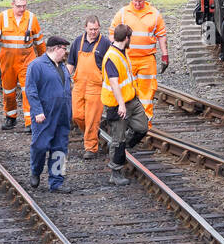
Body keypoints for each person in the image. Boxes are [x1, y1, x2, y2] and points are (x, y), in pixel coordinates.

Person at [109, 0, 168, 123]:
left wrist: (165, 55)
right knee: (127, 90)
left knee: (147, 92)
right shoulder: (123, 13)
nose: (137, 4)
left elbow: (161, 35)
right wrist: (117, 52)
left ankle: (144, 123)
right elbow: (112, 33)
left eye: (140, 1)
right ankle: (128, 120)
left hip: (147, 60)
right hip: (127, 59)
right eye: (135, 1)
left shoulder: (154, 14)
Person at [101, 24, 151, 186]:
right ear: (127, 38)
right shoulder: (111, 57)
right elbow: (115, 84)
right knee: (118, 140)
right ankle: (115, 172)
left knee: (142, 127)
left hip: (132, 100)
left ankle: (118, 148)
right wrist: (121, 105)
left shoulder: (122, 53)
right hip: (118, 105)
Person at [0, 0, 46, 131]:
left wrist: (45, 60)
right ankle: (10, 117)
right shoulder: (3, 17)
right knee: (8, 91)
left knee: (28, 90)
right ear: (12, 4)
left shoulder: (31, 18)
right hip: (7, 62)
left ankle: (30, 121)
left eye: (24, 6)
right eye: (19, 6)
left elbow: (39, 42)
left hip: (27, 61)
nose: (22, 9)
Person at [25, 35, 74, 192]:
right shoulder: (37, 65)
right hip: (44, 115)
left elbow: (66, 91)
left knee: (60, 148)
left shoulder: (63, 68)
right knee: (40, 146)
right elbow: (31, 90)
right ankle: (36, 171)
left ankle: (56, 182)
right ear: (56, 48)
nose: (65, 52)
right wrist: (38, 111)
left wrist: (69, 113)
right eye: (64, 49)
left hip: (62, 115)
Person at [69, 15, 110, 158]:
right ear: (85, 28)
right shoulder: (77, 42)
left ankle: (91, 148)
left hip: (96, 87)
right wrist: (63, 79)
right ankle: (91, 132)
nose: (93, 32)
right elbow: (71, 63)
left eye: (96, 29)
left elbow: (110, 65)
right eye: (91, 29)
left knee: (92, 118)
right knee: (77, 115)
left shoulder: (105, 43)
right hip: (79, 85)